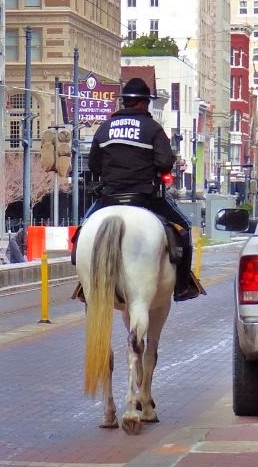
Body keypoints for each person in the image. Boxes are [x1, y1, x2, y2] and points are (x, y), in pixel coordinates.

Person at [79, 77, 204, 302]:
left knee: (82, 232)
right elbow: (165, 161)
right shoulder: (153, 128)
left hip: (109, 197)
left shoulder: (104, 128)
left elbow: (93, 165)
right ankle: (183, 286)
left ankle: (84, 284)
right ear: (144, 103)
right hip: (144, 197)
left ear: (125, 101)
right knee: (183, 229)